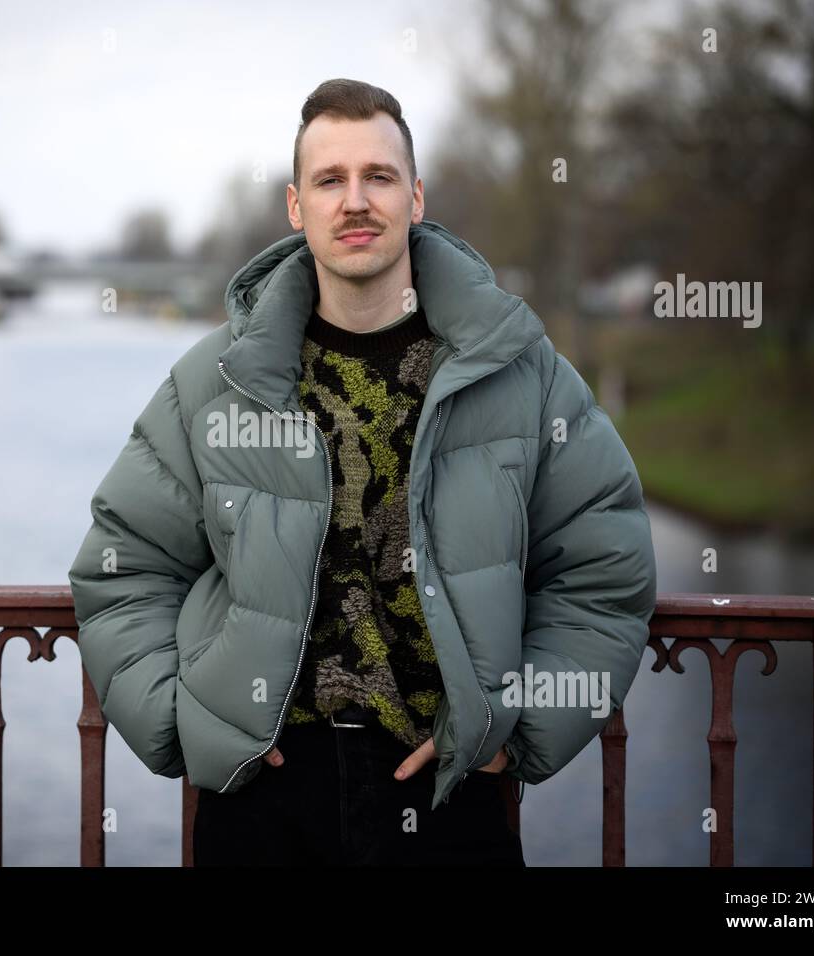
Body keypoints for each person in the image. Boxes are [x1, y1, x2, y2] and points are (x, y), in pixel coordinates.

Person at [67, 78, 658, 866]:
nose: (355, 201)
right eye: (330, 180)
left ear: (415, 198)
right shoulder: (214, 383)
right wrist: (185, 726)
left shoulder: (520, 375)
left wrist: (511, 735)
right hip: (261, 800)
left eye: (378, 177)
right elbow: (123, 568)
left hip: (449, 790)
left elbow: (603, 573)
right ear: (295, 206)